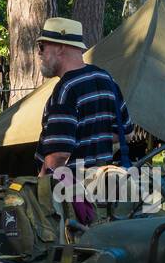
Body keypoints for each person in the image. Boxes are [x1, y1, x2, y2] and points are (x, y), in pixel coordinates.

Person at [34, 17, 133, 176]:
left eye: (42, 46)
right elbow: (126, 134)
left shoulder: (66, 89)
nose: (39, 53)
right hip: (103, 187)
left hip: (70, 191)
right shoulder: (107, 79)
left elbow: (59, 154)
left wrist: (42, 181)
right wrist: (91, 141)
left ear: (60, 48)